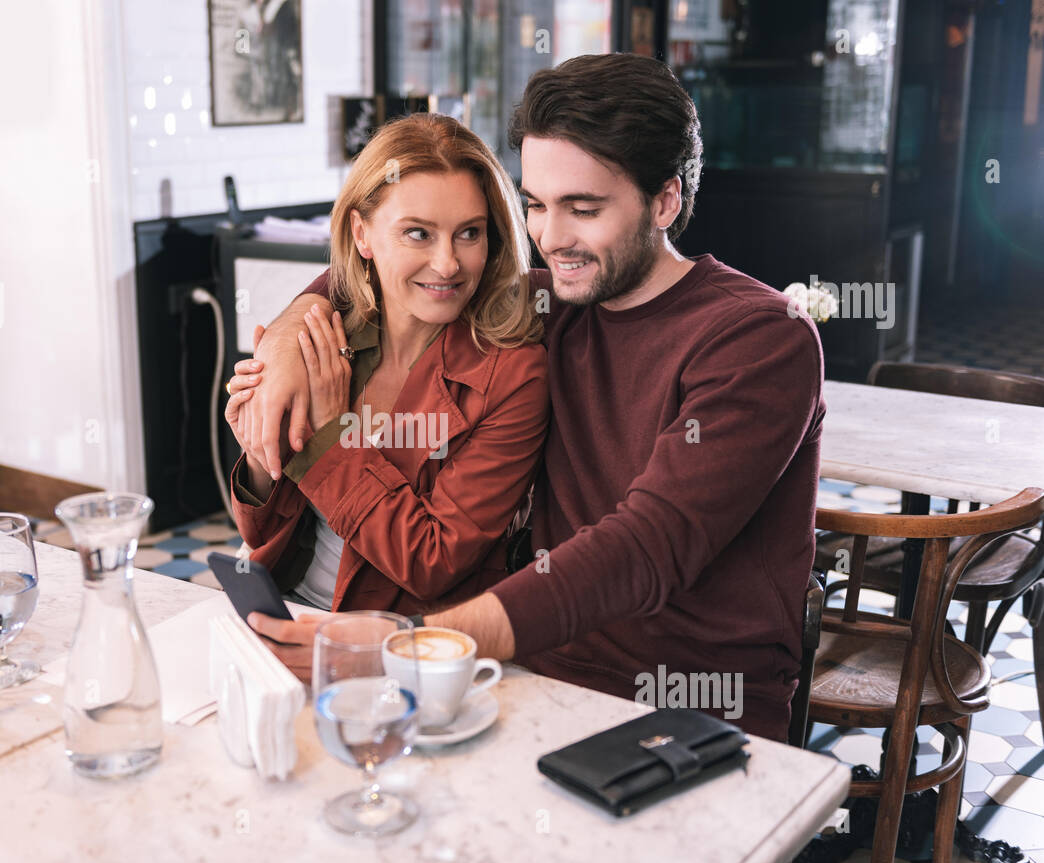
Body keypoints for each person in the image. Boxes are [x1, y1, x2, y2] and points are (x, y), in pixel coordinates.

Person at [230, 54, 825, 742]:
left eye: (584, 208)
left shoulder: (758, 337)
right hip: (533, 673)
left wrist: (410, 641)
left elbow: (645, 551)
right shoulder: (554, 299)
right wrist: (280, 345)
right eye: (536, 204)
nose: (550, 236)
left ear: (665, 201)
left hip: (692, 708)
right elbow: (366, 272)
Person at [224, 112, 548, 615]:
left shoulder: (512, 375)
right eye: (418, 233)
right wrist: (259, 452)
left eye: (469, 233)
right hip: (283, 606)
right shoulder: (326, 337)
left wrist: (327, 436)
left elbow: (433, 560)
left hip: (404, 640)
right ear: (362, 234)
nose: (448, 263)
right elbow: (260, 530)